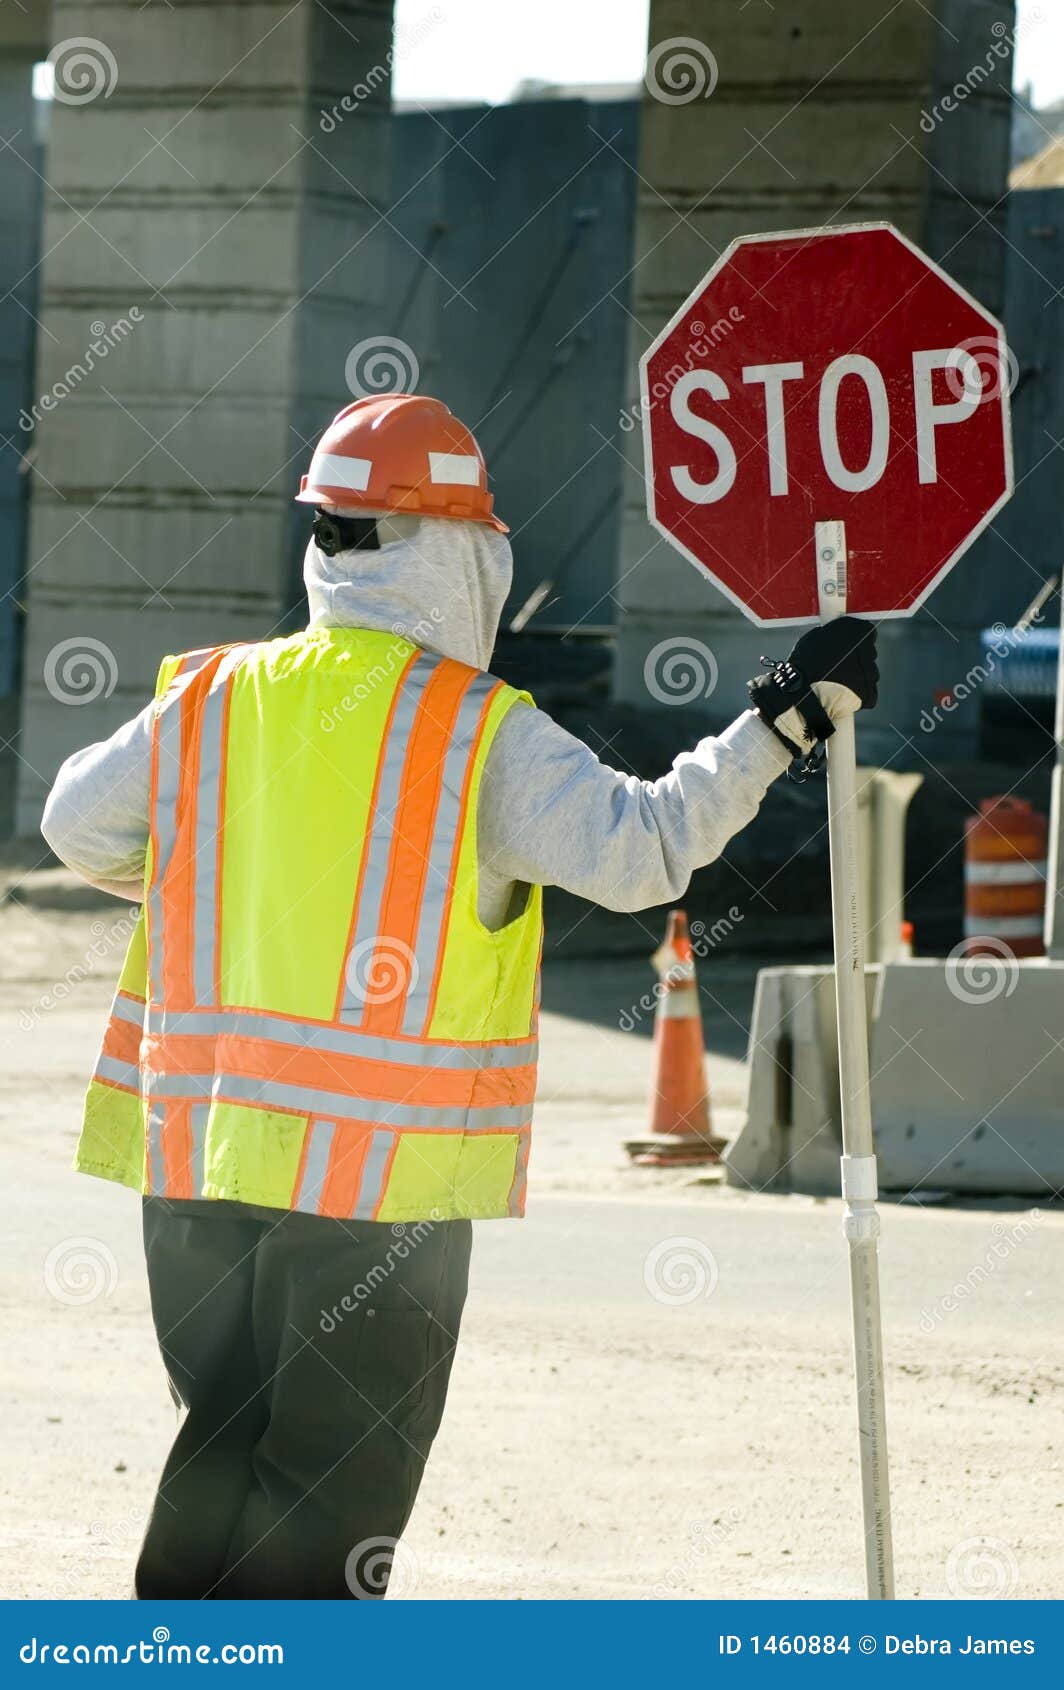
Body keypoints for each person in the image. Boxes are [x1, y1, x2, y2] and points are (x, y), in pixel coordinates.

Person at [41, 393, 877, 1600]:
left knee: (215, 1457)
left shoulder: (217, 697)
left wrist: (196, 866)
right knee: (327, 1509)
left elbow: (78, 824)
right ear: (460, 551)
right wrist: (781, 721)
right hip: (379, 1192)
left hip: (200, 1168)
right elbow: (642, 849)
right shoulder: (473, 731)